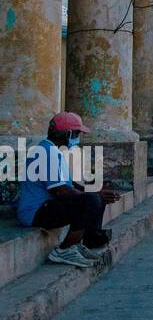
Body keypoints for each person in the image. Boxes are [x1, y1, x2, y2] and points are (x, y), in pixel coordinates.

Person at [17, 112, 121, 269]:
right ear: (68, 133)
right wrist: (92, 195)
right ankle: (64, 250)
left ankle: (84, 241)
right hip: (35, 212)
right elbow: (60, 191)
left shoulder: (53, 151)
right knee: (91, 200)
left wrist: (94, 190)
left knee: (95, 197)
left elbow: (68, 183)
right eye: (77, 133)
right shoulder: (47, 152)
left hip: (47, 207)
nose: (77, 138)